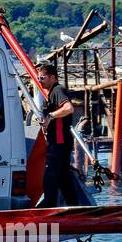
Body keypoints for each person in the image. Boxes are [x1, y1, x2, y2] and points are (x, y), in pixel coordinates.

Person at [35, 61, 77, 207]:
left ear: (52, 77)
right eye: (39, 78)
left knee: (50, 178)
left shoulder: (58, 90)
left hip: (60, 142)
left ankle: (49, 208)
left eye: (42, 78)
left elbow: (68, 108)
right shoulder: (51, 92)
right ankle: (74, 208)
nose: (39, 81)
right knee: (63, 178)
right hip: (60, 142)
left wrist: (50, 116)